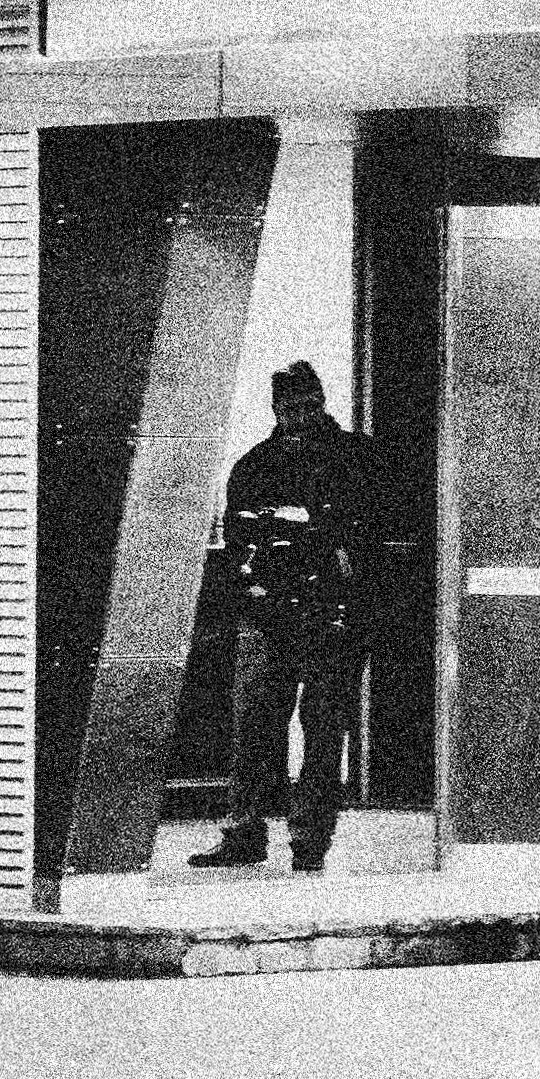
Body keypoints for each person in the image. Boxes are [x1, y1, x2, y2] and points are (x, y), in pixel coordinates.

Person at [193, 362, 376, 874]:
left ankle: (309, 838)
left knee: (322, 728)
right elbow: (236, 540)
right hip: (269, 611)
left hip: (333, 612)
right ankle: (246, 829)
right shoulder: (255, 464)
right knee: (254, 725)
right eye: (291, 408)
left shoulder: (357, 458)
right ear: (277, 408)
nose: (301, 416)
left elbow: (370, 535)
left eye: (308, 405)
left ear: (321, 400)